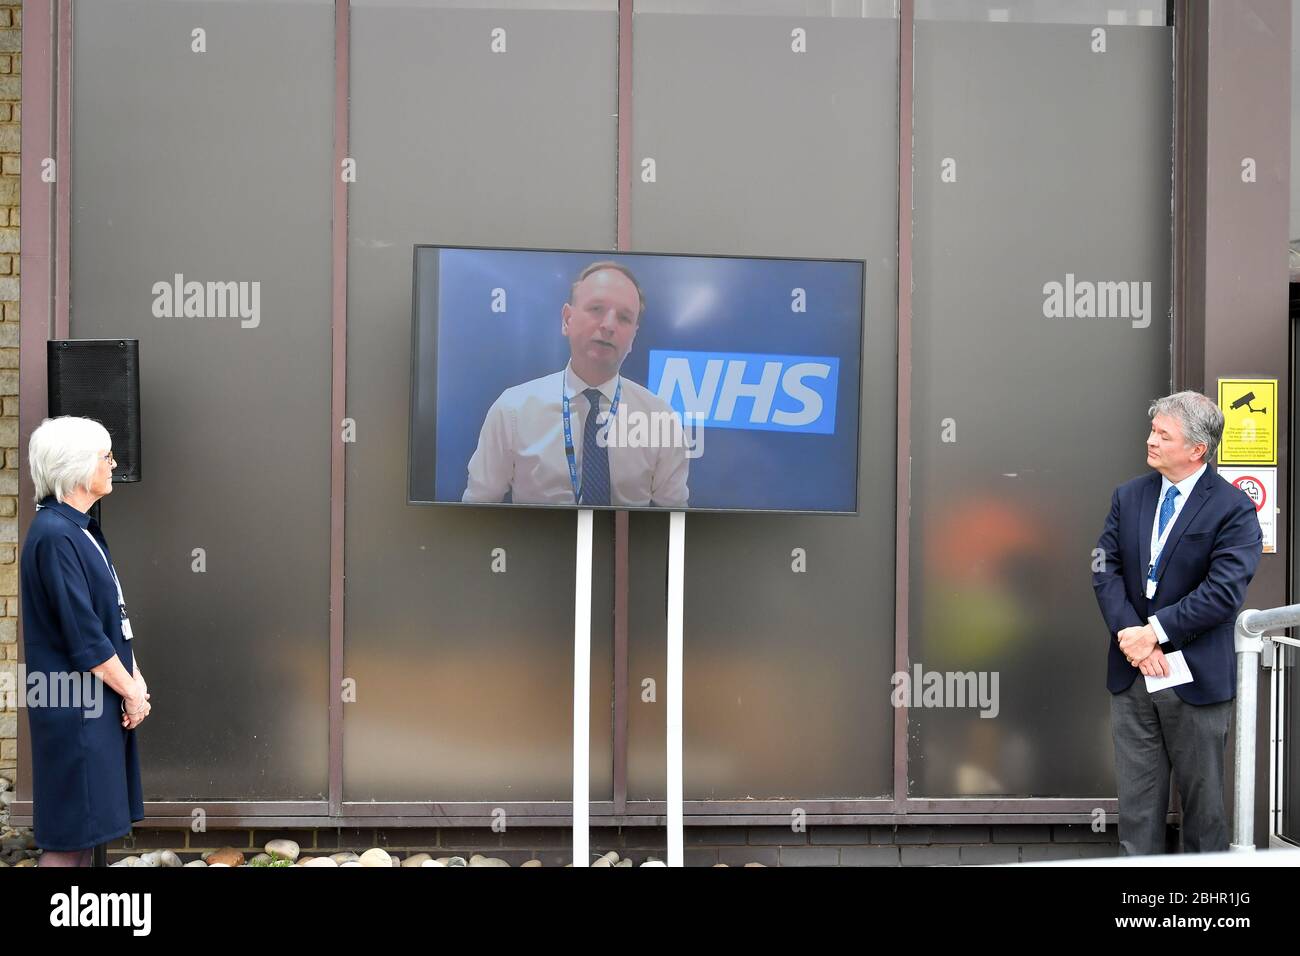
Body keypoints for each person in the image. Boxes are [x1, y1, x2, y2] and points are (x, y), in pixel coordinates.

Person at [1092, 391, 1262, 855]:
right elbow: (1105, 567)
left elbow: (1223, 592)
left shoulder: (1232, 508)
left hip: (1196, 678)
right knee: (1138, 808)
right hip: (1132, 673)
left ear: (1197, 450)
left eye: (1162, 435)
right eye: (1153, 430)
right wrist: (1134, 638)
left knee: (1204, 810)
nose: (1150, 440)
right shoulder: (1129, 495)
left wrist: (1155, 632)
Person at [21, 416, 149, 866]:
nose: (113, 464)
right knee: (70, 838)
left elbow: (107, 616)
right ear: (77, 466)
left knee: (89, 831)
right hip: (74, 710)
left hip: (90, 704)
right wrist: (131, 691)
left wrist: (133, 676)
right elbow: (83, 636)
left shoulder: (76, 529)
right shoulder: (56, 536)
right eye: (105, 456)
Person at [462, 261, 690, 507]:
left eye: (624, 318)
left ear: (633, 337)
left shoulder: (660, 418)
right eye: (596, 309)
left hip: (624, 546)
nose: (608, 325)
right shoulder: (512, 410)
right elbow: (477, 512)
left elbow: (675, 521)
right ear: (567, 319)